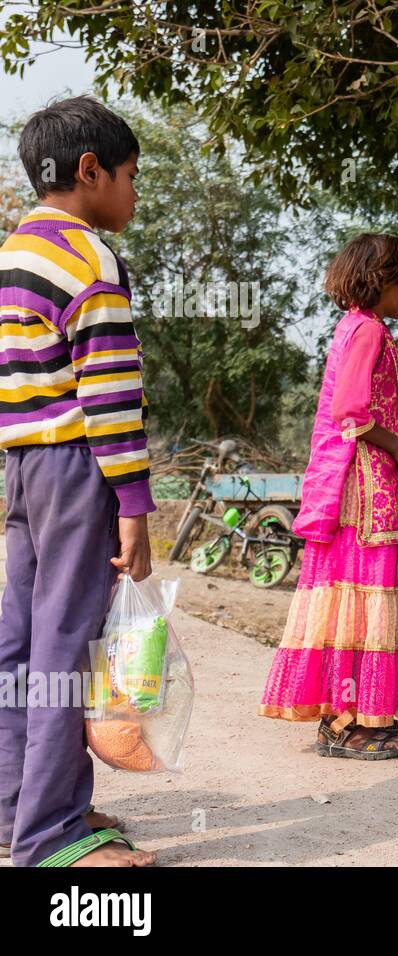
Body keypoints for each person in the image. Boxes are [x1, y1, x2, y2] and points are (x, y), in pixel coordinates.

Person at [0, 96, 155, 867]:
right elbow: (110, 396)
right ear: (89, 171)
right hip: (77, 466)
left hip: (23, 468)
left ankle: (13, 807)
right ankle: (53, 834)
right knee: (67, 643)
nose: (133, 193)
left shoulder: (11, 256)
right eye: (129, 176)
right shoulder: (89, 258)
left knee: (21, 641)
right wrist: (133, 505)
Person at [259, 234, 398, 760]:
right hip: (368, 491)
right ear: (382, 283)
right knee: (368, 592)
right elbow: (351, 413)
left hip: (352, 485)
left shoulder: (350, 327)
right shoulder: (371, 332)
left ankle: (343, 717)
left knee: (346, 597)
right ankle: (359, 724)